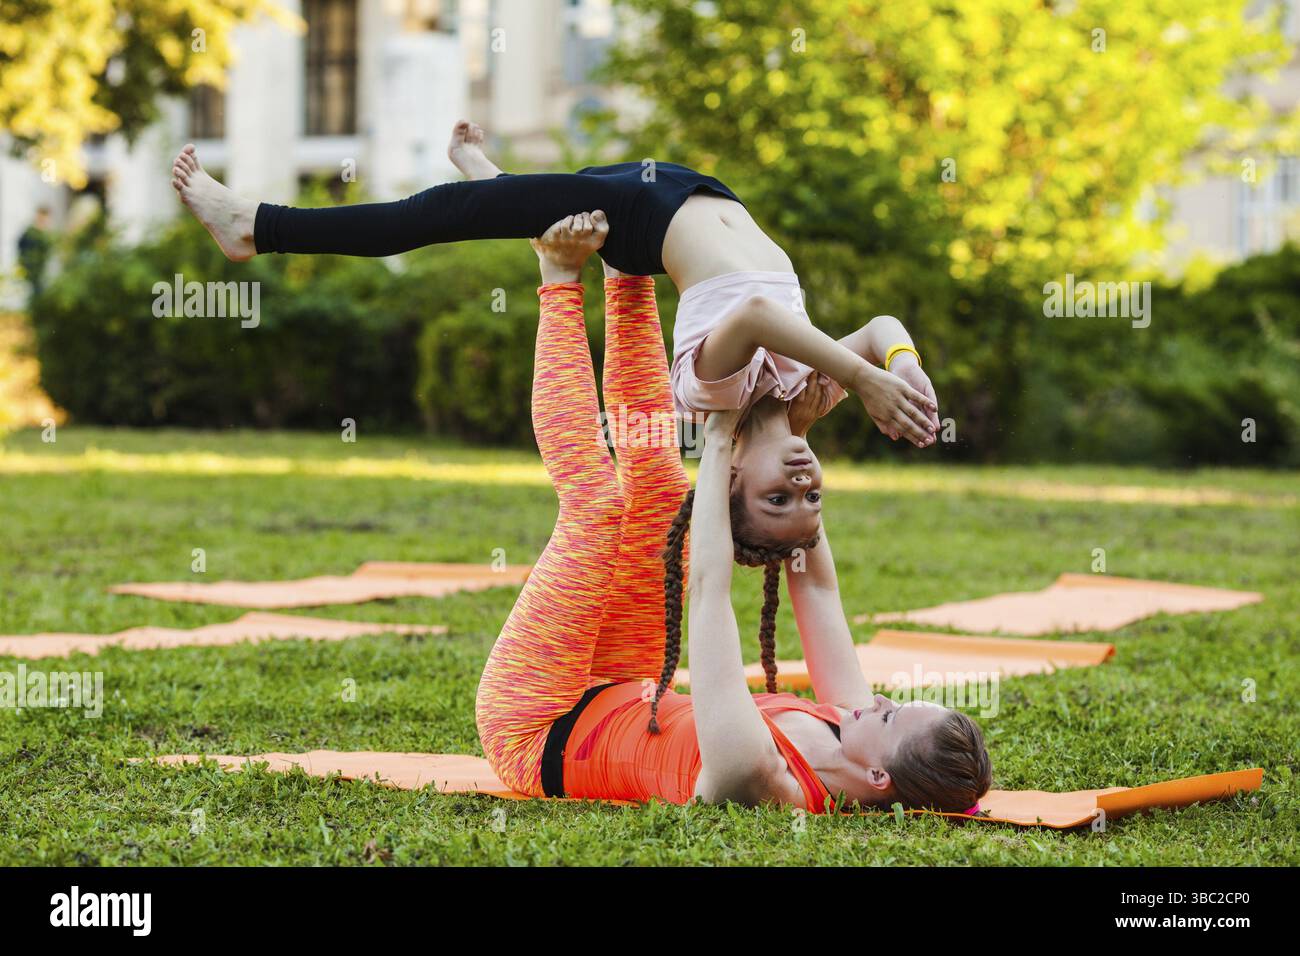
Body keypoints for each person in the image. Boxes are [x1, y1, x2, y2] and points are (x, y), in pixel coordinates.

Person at [170, 122, 940, 563]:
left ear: (730, 477)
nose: (804, 479)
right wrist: (900, 368)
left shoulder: (715, 397)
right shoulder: (807, 394)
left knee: (433, 215)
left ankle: (254, 228)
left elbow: (757, 321)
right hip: (693, 189)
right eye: (812, 496)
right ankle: (496, 182)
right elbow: (880, 330)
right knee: (507, 200)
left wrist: (861, 379)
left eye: (780, 497)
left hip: (644, 218)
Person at [475, 211, 990, 815]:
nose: (875, 701)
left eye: (892, 714)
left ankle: (558, 276)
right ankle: (627, 272)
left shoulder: (760, 773)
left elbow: (710, 594)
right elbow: (819, 590)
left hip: (539, 724)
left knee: (598, 508)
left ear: (878, 775)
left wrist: (721, 444)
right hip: (629, 681)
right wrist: (795, 453)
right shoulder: (851, 724)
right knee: (662, 496)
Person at [17, 206, 53, 296]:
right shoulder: (30, 232)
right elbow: (21, 246)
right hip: (29, 268)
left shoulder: (47, 234)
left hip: (41, 269)